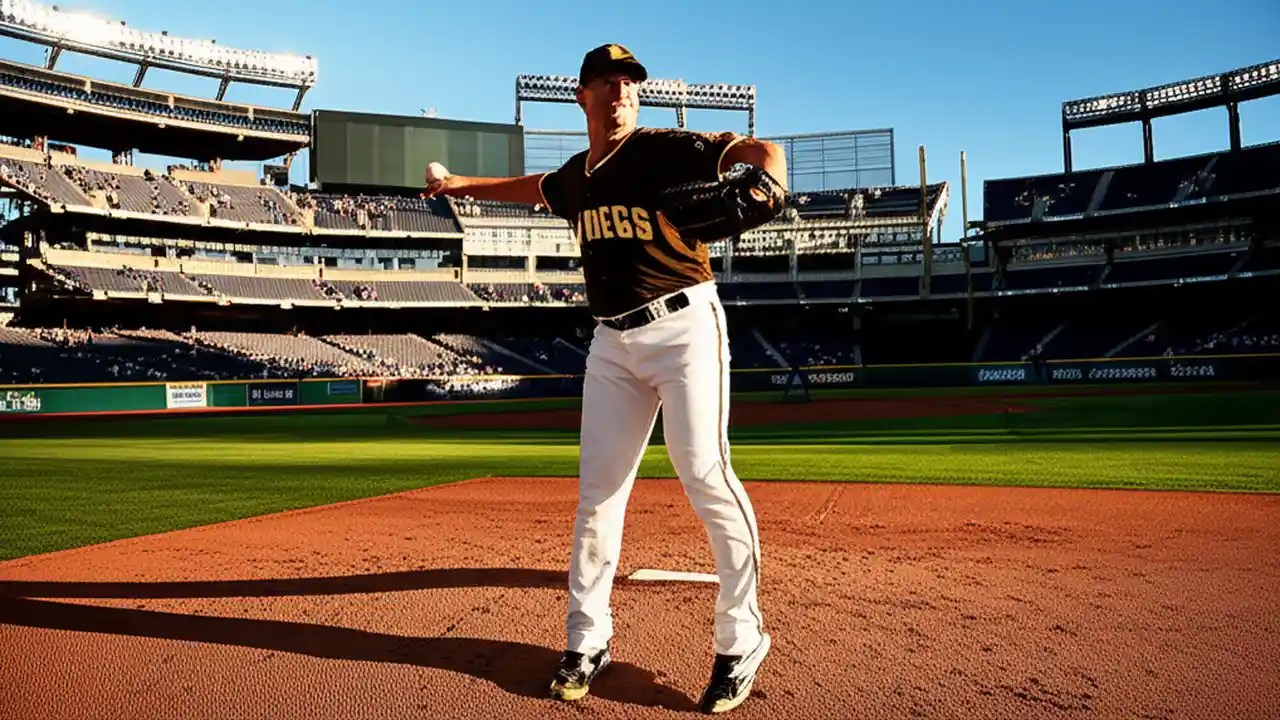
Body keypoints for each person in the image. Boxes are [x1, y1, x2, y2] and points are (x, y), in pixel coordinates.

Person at [424, 43, 786, 715]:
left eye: (628, 82)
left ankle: (742, 637)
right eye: (606, 82)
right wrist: (457, 187)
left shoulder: (664, 147)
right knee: (598, 496)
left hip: (684, 328)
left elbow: (763, 153)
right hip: (611, 344)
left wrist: (768, 182)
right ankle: (586, 640)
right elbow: (530, 189)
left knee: (704, 471)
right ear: (581, 96)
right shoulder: (577, 178)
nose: (619, 90)